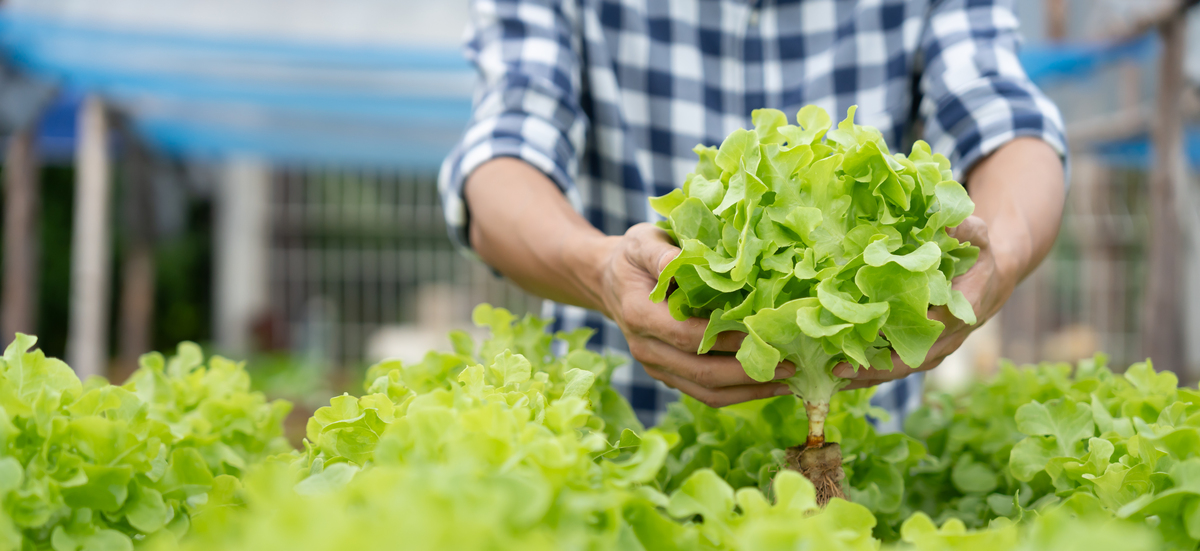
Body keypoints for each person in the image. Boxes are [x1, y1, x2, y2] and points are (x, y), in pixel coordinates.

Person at [439, 0, 1067, 428]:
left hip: (865, 429)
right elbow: (505, 151)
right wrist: (598, 269)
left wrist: (999, 258)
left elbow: (1005, 117)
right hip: (623, 423)